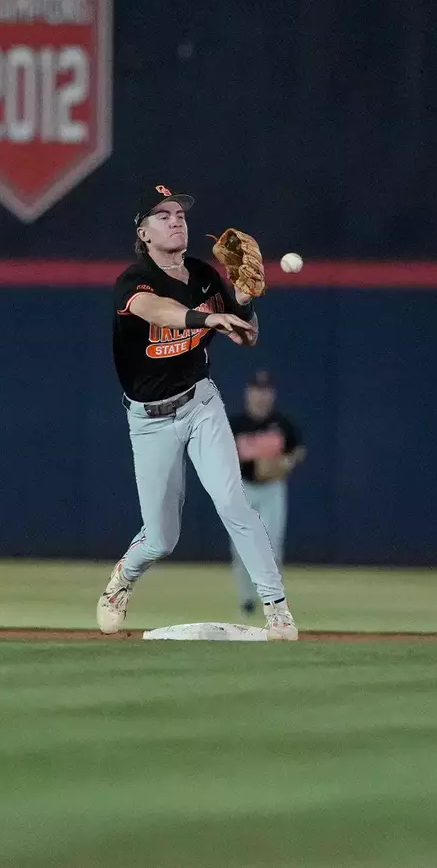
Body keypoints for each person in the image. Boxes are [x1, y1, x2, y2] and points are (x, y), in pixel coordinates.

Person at [97, 185, 298, 640]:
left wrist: (242, 299)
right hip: (150, 419)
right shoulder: (134, 280)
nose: (175, 220)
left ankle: (278, 610)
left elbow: (246, 336)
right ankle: (122, 580)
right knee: (160, 538)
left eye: (180, 214)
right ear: (143, 233)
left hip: (200, 401)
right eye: (163, 215)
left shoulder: (205, 276)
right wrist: (207, 318)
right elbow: (157, 312)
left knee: (233, 503)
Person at [229, 370, 305, 616]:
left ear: (272, 394)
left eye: (266, 391)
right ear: (248, 393)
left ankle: (274, 602)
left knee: (272, 547)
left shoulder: (282, 424)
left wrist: (287, 462)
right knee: (242, 546)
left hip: (272, 489)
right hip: (243, 488)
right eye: (257, 390)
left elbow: (298, 449)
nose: (261, 395)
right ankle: (247, 601)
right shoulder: (236, 424)